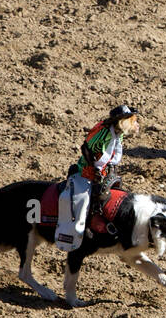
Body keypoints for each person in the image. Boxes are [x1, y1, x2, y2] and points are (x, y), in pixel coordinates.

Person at [56, 105, 140, 252]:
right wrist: (94, 168)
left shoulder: (118, 134)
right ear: (123, 122)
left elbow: (113, 153)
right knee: (82, 199)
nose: (136, 125)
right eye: (133, 121)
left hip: (106, 171)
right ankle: (75, 230)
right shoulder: (103, 132)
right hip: (87, 171)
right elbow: (86, 148)